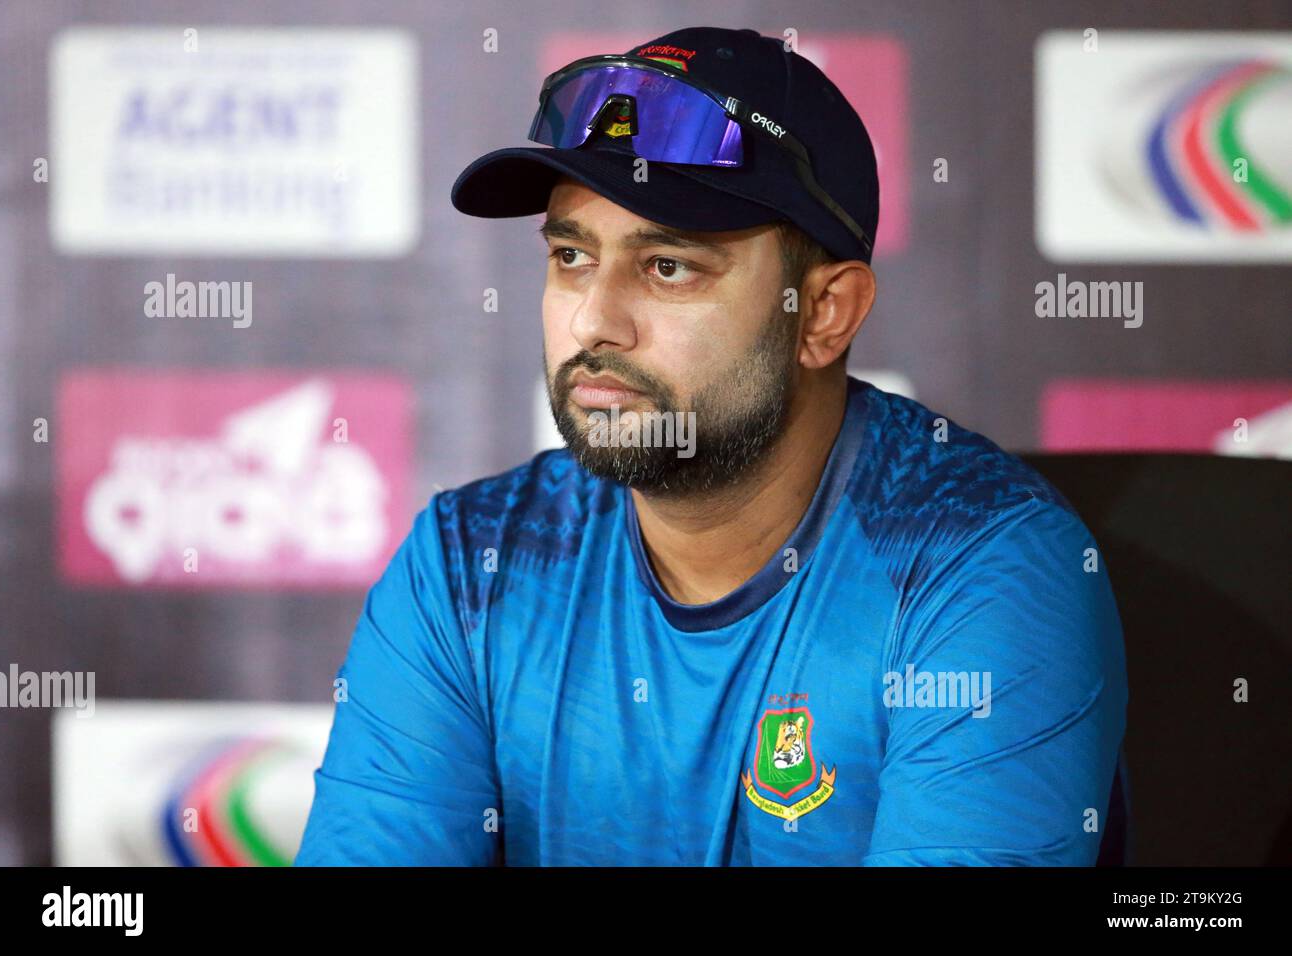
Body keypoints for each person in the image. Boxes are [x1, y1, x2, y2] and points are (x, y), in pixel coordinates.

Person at [294, 26, 1129, 866]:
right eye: (572, 256)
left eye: (668, 268)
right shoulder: (468, 565)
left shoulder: (980, 567)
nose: (593, 320)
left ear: (825, 313)